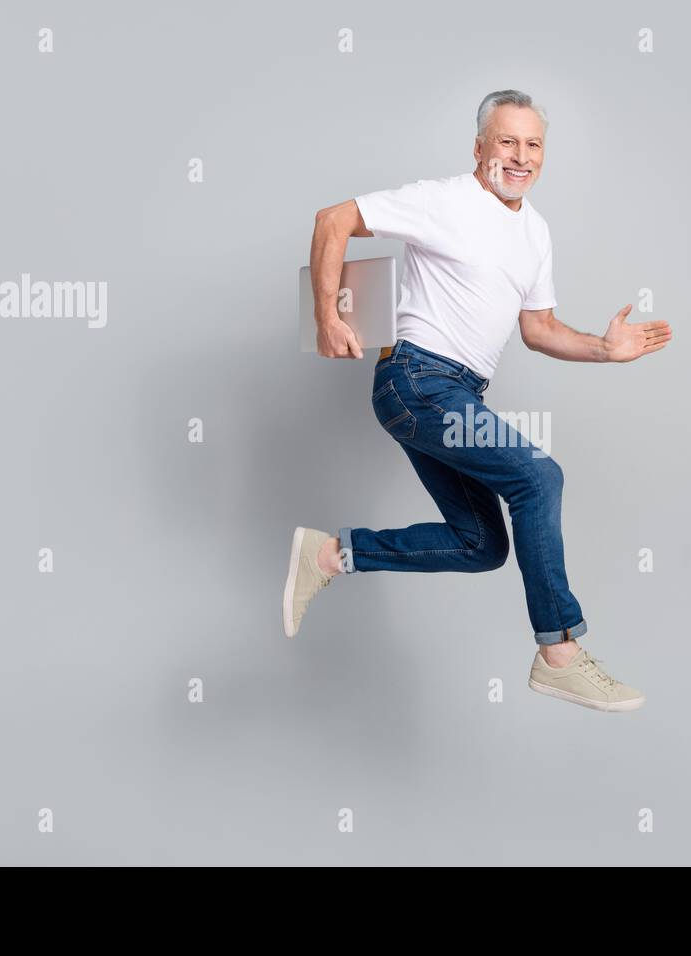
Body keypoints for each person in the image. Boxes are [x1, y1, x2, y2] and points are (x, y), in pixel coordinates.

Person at [285, 90, 671, 712]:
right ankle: (561, 652)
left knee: (481, 544)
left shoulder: (535, 231)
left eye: (533, 144)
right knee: (538, 478)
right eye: (507, 141)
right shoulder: (446, 200)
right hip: (418, 381)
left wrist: (605, 348)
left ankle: (331, 554)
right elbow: (333, 219)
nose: (520, 156)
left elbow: (538, 329)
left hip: (455, 392)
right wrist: (326, 316)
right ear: (480, 148)